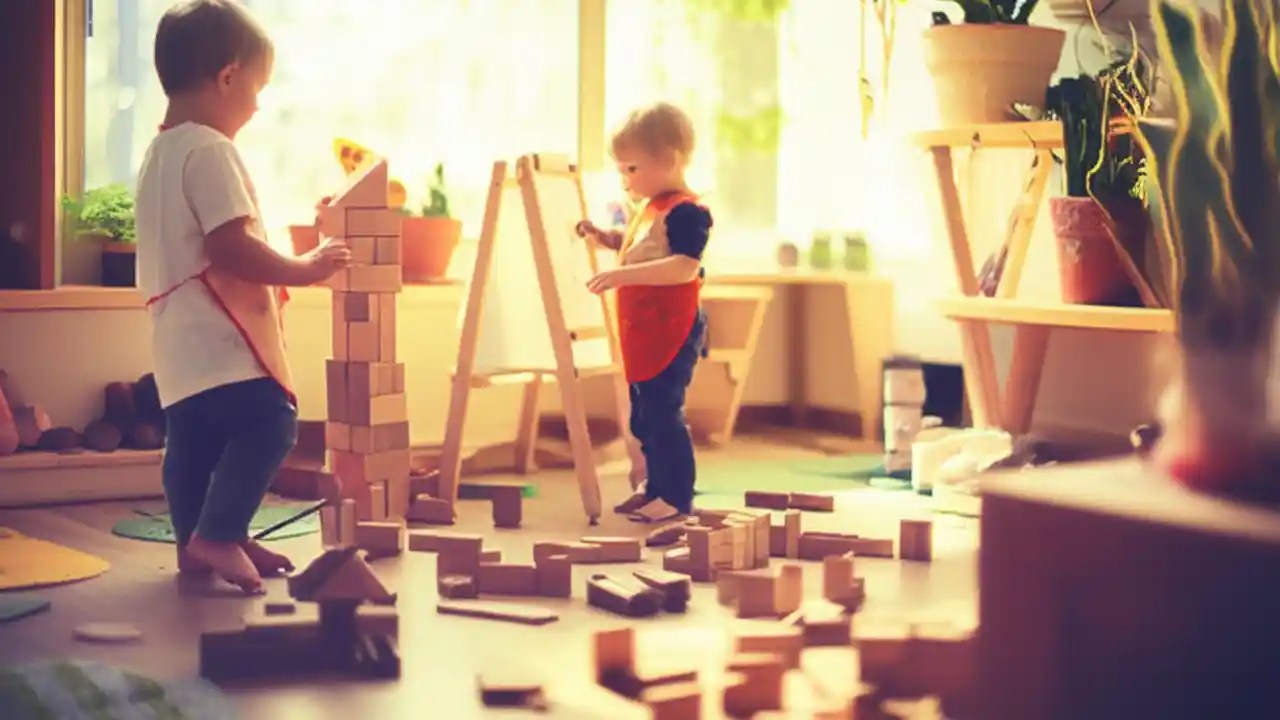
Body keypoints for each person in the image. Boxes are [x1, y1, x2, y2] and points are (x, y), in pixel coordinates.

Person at [135, 0, 350, 593]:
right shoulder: (210, 149)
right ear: (228, 77)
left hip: (175, 339)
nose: (258, 104)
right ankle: (219, 534)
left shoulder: (159, 153)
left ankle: (198, 541)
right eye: (257, 88)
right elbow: (229, 245)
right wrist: (304, 268)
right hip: (217, 328)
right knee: (270, 423)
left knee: (193, 442)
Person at [577, 102, 712, 523]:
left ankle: (676, 495)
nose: (625, 179)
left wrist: (621, 278)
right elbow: (639, 247)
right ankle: (653, 486)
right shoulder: (650, 209)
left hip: (671, 333)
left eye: (631, 169)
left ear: (669, 161)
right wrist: (604, 239)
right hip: (643, 336)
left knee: (663, 413)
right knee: (642, 417)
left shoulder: (687, 212)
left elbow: (684, 266)